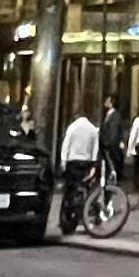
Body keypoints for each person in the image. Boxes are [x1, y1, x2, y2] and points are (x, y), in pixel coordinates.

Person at [56, 100, 101, 233]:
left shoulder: (72, 127)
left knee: (69, 192)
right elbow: (95, 149)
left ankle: (66, 219)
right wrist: (94, 164)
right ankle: (90, 216)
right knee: (88, 191)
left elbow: (66, 145)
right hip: (86, 163)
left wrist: (63, 161)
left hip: (73, 162)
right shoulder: (92, 129)